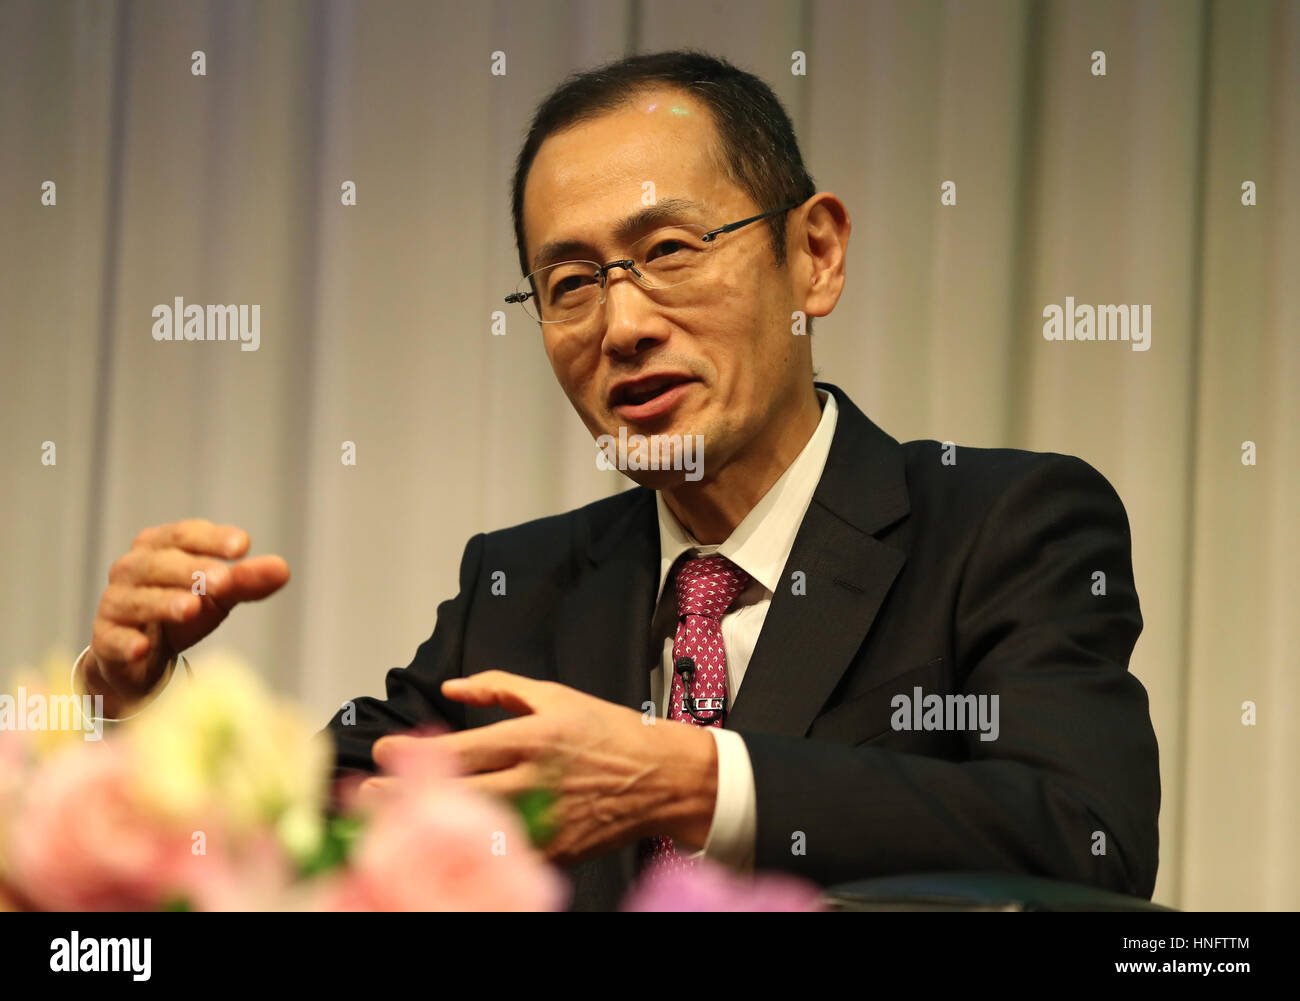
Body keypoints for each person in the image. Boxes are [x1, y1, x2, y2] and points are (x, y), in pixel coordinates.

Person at [76, 50, 1160, 912]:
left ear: (814, 255)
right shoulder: (524, 583)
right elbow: (318, 830)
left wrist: (696, 779)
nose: (625, 323)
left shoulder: (1001, 523)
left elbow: (1085, 833)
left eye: (672, 249)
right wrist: (143, 700)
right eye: (570, 281)